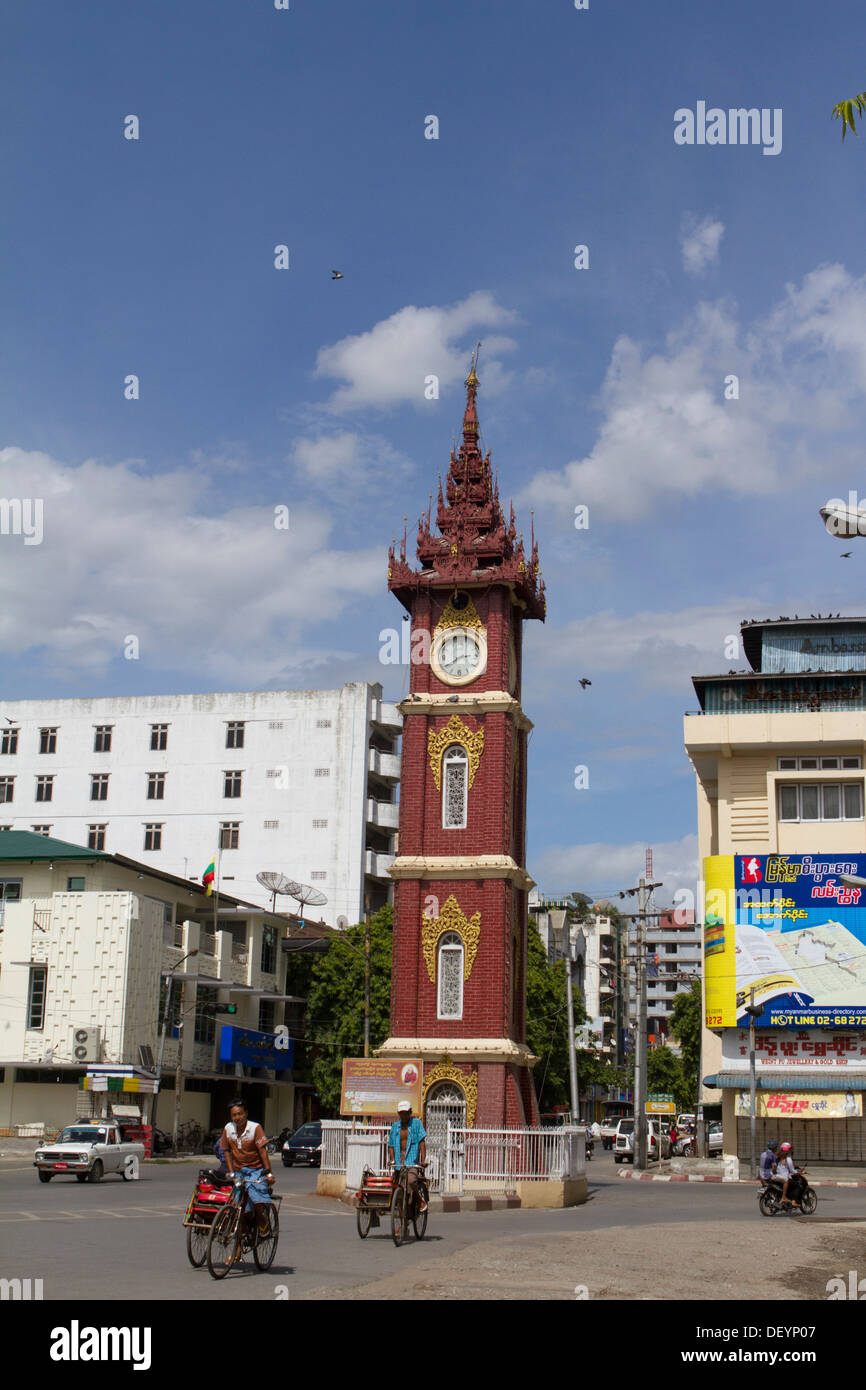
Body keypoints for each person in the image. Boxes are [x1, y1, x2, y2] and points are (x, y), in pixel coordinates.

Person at [221, 1099, 275, 1243]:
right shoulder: (228, 1128)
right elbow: (226, 1151)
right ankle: (237, 1245)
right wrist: (232, 1172)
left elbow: (262, 1152)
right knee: (236, 1204)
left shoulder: (255, 1128)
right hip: (238, 1171)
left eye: (240, 1114)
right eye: (234, 1115)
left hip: (255, 1171)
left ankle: (264, 1225)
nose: (237, 1118)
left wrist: (268, 1173)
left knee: (257, 1200)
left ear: (246, 1114)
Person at [388, 1100, 427, 1213]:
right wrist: (392, 1159)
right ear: (398, 1114)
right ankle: (401, 1219)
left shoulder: (416, 1123)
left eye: (406, 1113)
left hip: (411, 1159)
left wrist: (423, 1160)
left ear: (410, 1112)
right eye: (401, 1113)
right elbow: (390, 1145)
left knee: (411, 1180)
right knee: (396, 1189)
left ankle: (420, 1200)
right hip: (399, 1159)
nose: (403, 1115)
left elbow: (422, 1142)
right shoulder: (395, 1127)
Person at [776, 1141, 803, 1208]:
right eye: (790, 1149)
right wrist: (800, 1173)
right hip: (784, 1178)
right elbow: (792, 1171)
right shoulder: (788, 1159)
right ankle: (794, 1201)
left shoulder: (777, 1157)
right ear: (788, 1150)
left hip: (776, 1177)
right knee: (797, 1185)